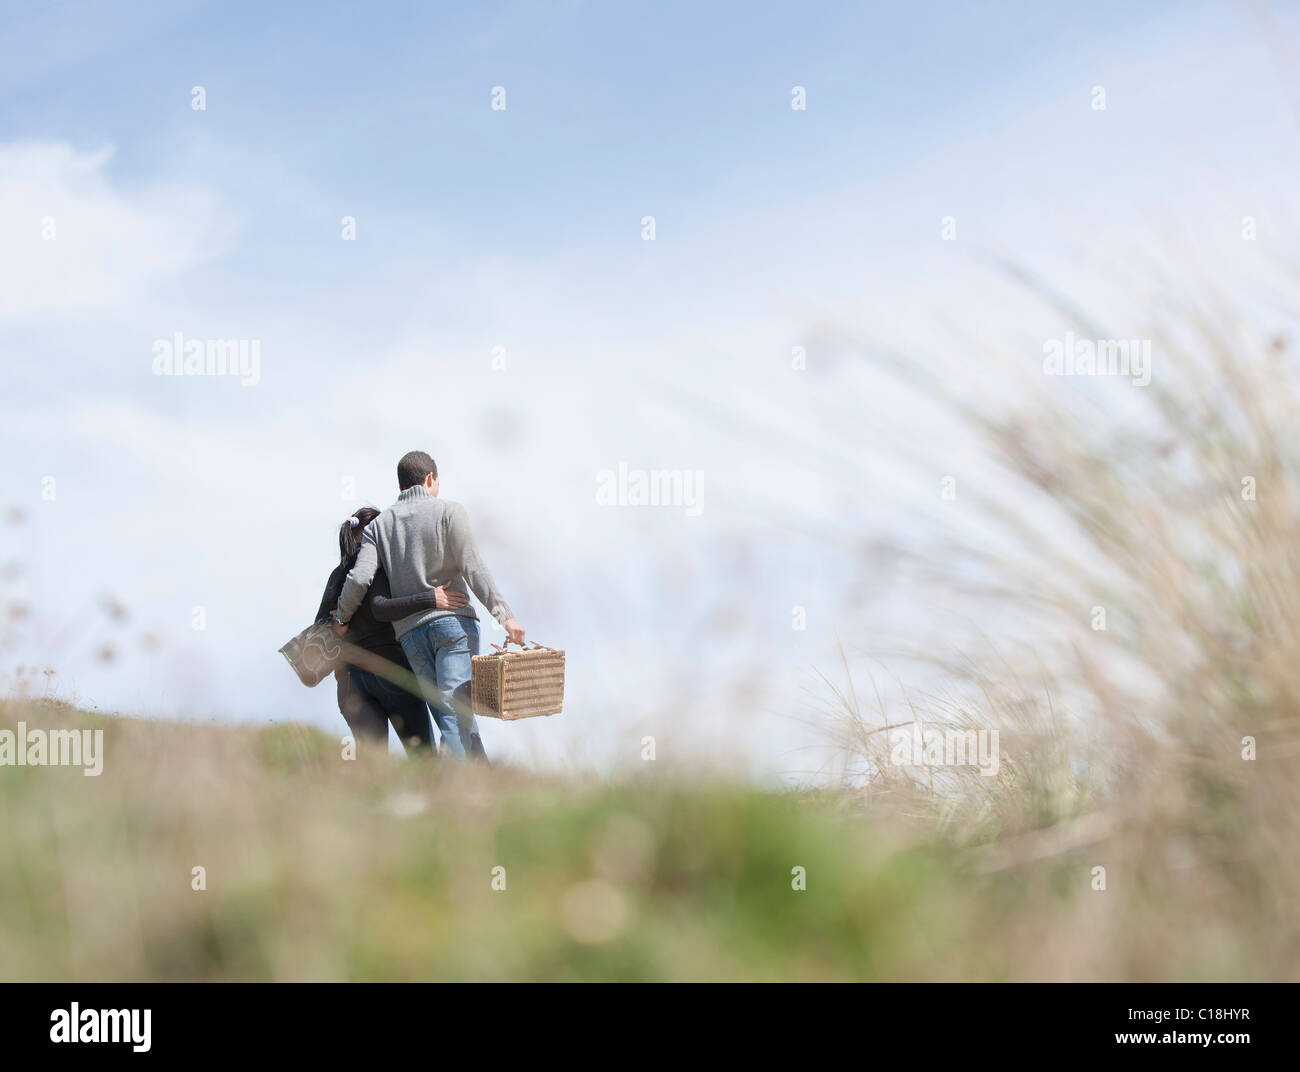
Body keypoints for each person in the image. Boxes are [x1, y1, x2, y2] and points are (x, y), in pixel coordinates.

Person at [334, 451, 525, 759]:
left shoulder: (378, 527)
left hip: (411, 636)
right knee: (454, 713)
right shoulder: (449, 511)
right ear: (430, 479)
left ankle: (481, 784)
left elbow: (359, 579)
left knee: (451, 713)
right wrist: (506, 617)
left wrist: (342, 617)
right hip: (454, 626)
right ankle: (459, 789)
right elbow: (472, 567)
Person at [316, 506, 466, 755]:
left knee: (372, 763)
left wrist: (340, 622)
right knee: (423, 758)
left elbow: (320, 624)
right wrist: (431, 598)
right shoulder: (381, 569)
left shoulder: (339, 574)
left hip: (351, 682)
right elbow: (380, 608)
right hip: (392, 674)